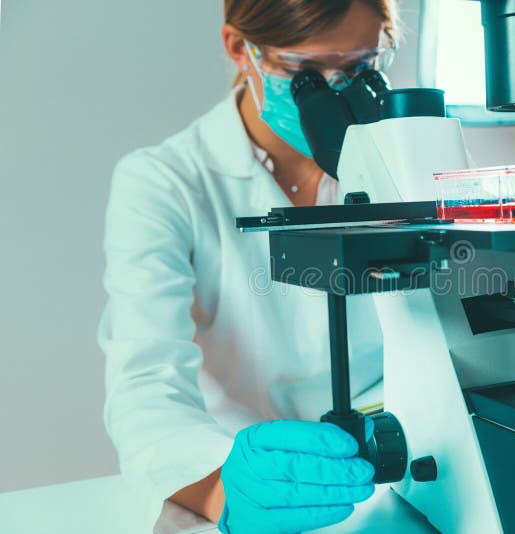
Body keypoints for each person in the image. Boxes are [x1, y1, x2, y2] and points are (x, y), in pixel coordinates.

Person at [97, 1, 398, 532]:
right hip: (245, 475)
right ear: (241, 49)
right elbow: (146, 380)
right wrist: (224, 491)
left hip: (400, 474)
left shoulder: (400, 162)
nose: (334, 93)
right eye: (304, 74)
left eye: (358, 69)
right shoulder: (164, 183)